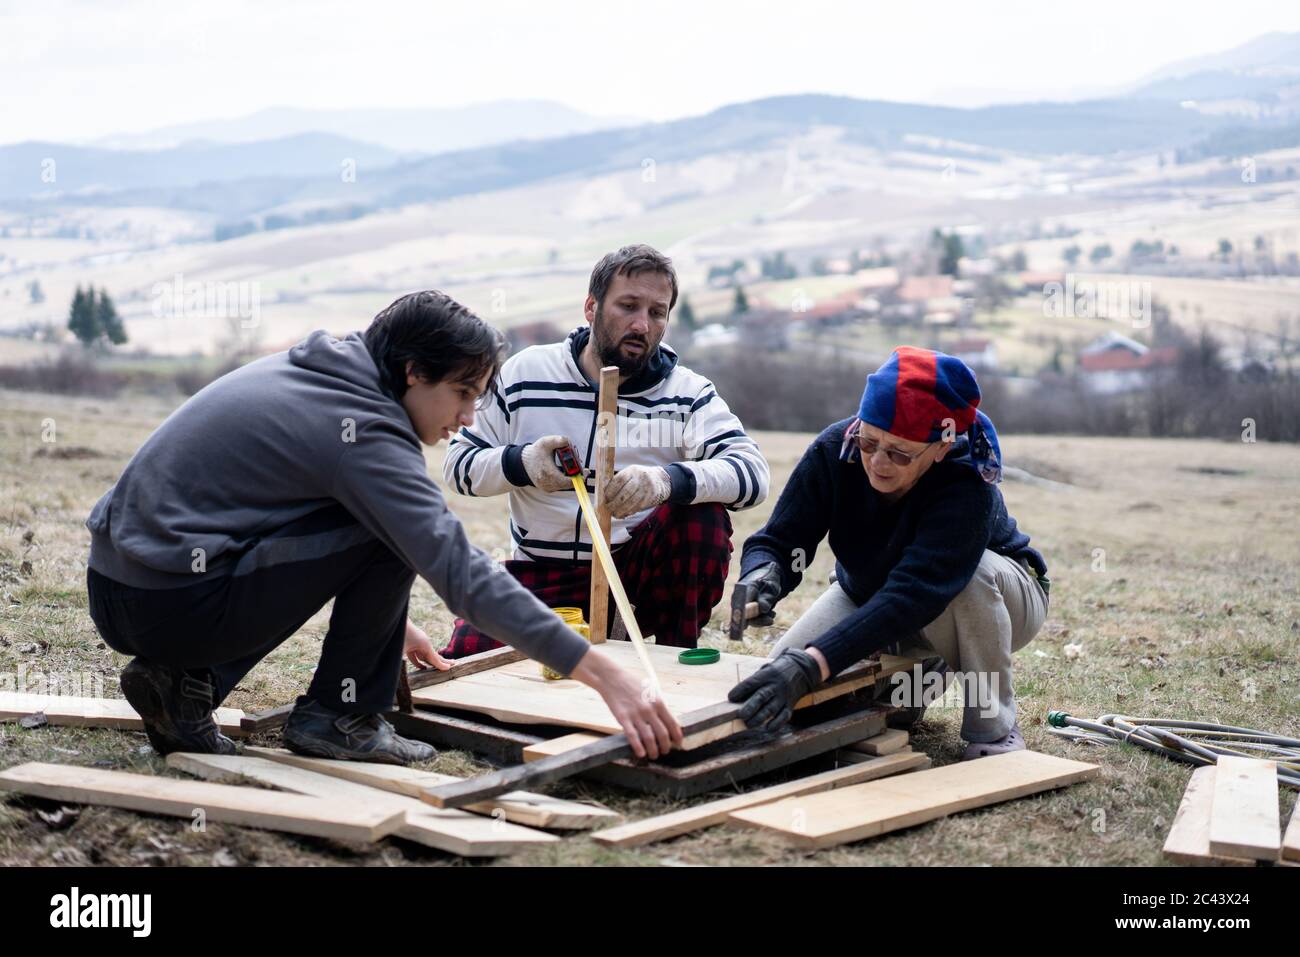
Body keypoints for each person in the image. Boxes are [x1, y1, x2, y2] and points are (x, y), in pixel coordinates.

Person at [85, 291, 683, 765]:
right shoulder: (364, 429)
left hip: (130, 585)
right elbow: (460, 571)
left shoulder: (329, 369)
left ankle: (180, 684)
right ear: (413, 371)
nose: (468, 417)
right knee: (398, 526)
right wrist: (603, 674)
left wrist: (386, 624)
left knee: (390, 519)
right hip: (171, 599)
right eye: (462, 393)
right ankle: (340, 718)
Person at [440, 244, 769, 655]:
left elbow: (752, 474)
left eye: (656, 312)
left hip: (636, 575)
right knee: (468, 658)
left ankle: (672, 660)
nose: (641, 325)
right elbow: (459, 467)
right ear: (591, 307)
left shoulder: (687, 393)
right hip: (544, 572)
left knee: (703, 517)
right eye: (628, 306)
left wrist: (667, 481)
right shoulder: (526, 374)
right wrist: (523, 463)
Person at [726, 346, 1049, 759]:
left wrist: (815, 664)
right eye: (868, 441)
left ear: (940, 447)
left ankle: (994, 728)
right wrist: (763, 572)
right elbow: (780, 538)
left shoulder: (966, 482)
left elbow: (917, 592)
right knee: (782, 683)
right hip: (877, 592)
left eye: (899, 452)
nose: (876, 461)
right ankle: (918, 678)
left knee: (971, 579)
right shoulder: (834, 449)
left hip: (987, 600)